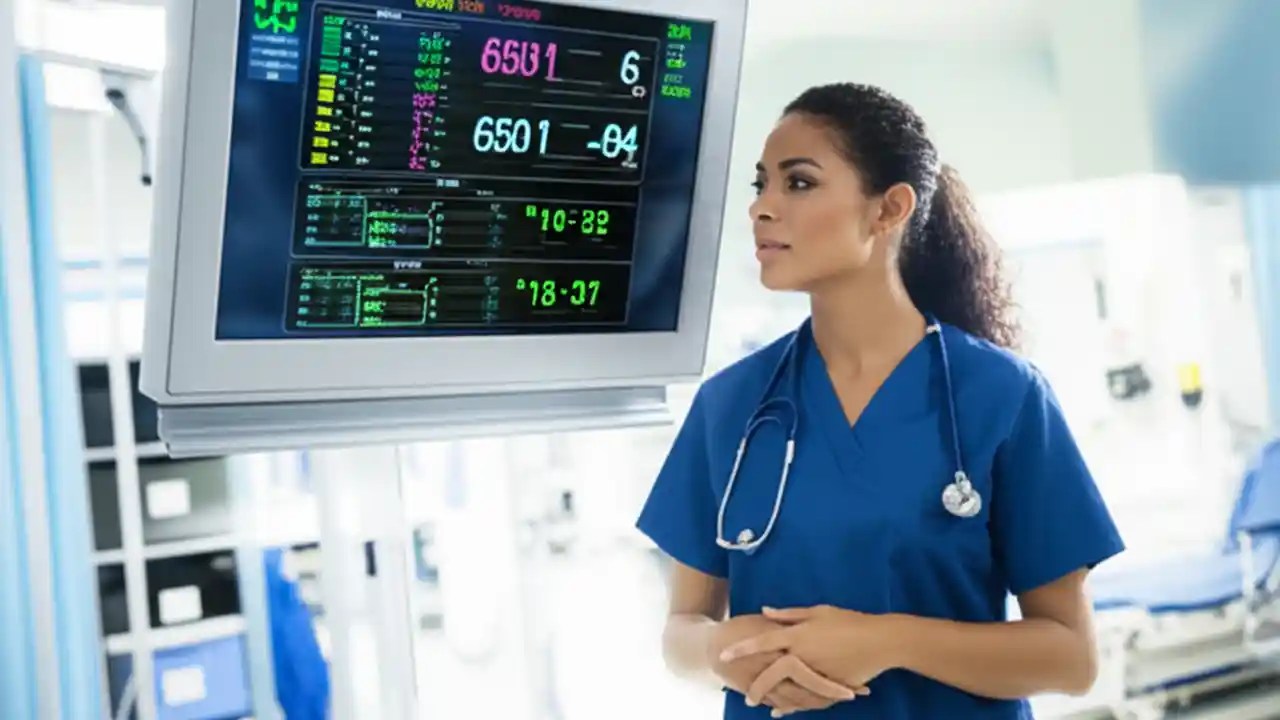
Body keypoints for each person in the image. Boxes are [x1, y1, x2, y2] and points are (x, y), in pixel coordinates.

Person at [635, 83, 1125, 719]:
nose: (761, 208)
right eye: (761, 185)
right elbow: (681, 632)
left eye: (799, 183)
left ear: (889, 209)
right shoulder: (730, 406)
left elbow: (1071, 658)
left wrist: (887, 641)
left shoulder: (1001, 397)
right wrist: (719, 649)